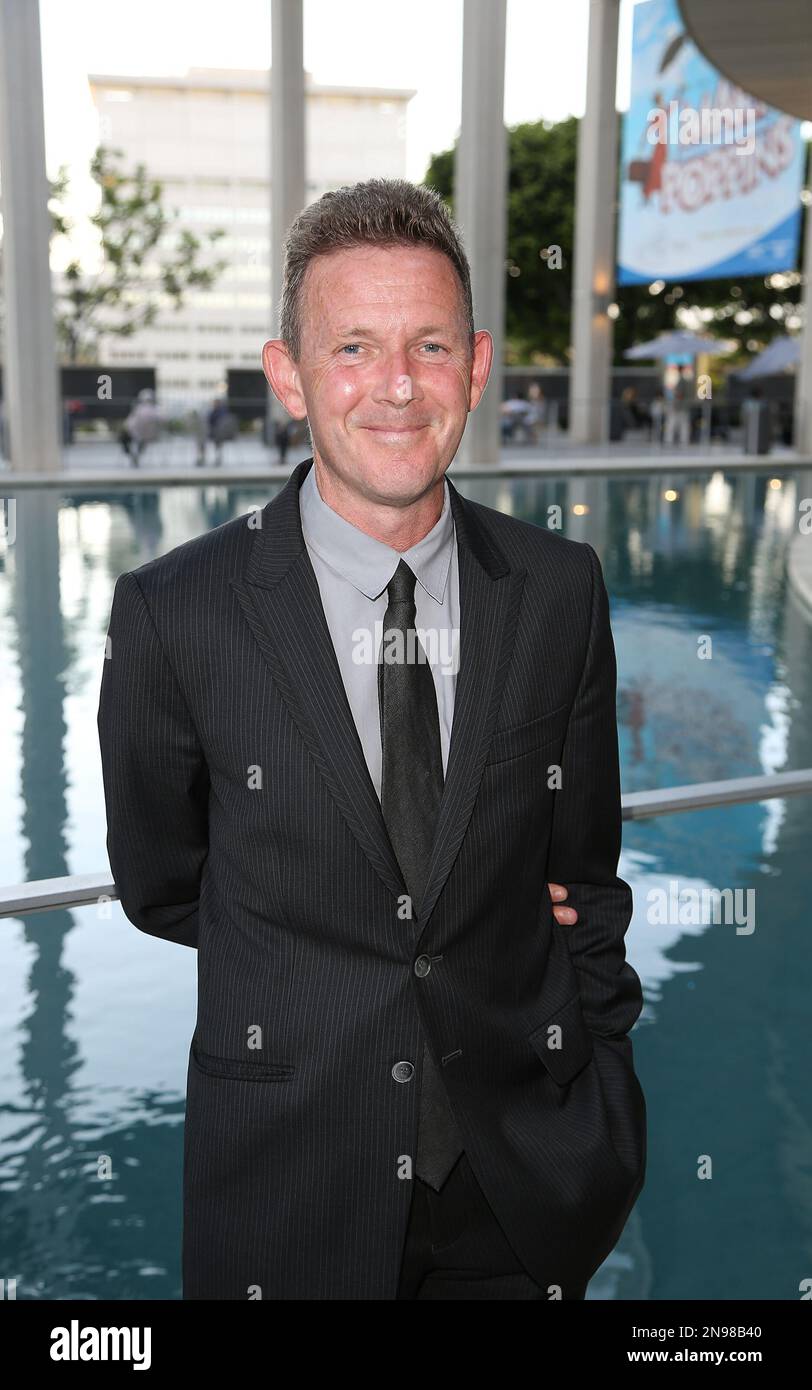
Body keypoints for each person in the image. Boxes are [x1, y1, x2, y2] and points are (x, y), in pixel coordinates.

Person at [97, 177, 646, 1301]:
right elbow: (162, 881)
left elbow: (581, 869)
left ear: (477, 366)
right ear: (288, 375)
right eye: (352, 346)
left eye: (429, 345)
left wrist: (602, 1100)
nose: (396, 386)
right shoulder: (176, 612)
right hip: (289, 1188)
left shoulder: (556, 590)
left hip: (517, 1190)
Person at [118, 387, 161, 467]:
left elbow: (129, 424)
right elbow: (163, 420)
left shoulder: (139, 409)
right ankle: (136, 455)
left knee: (123, 437)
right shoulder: (157, 410)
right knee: (139, 439)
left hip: (138, 435)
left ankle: (132, 455)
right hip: (150, 436)